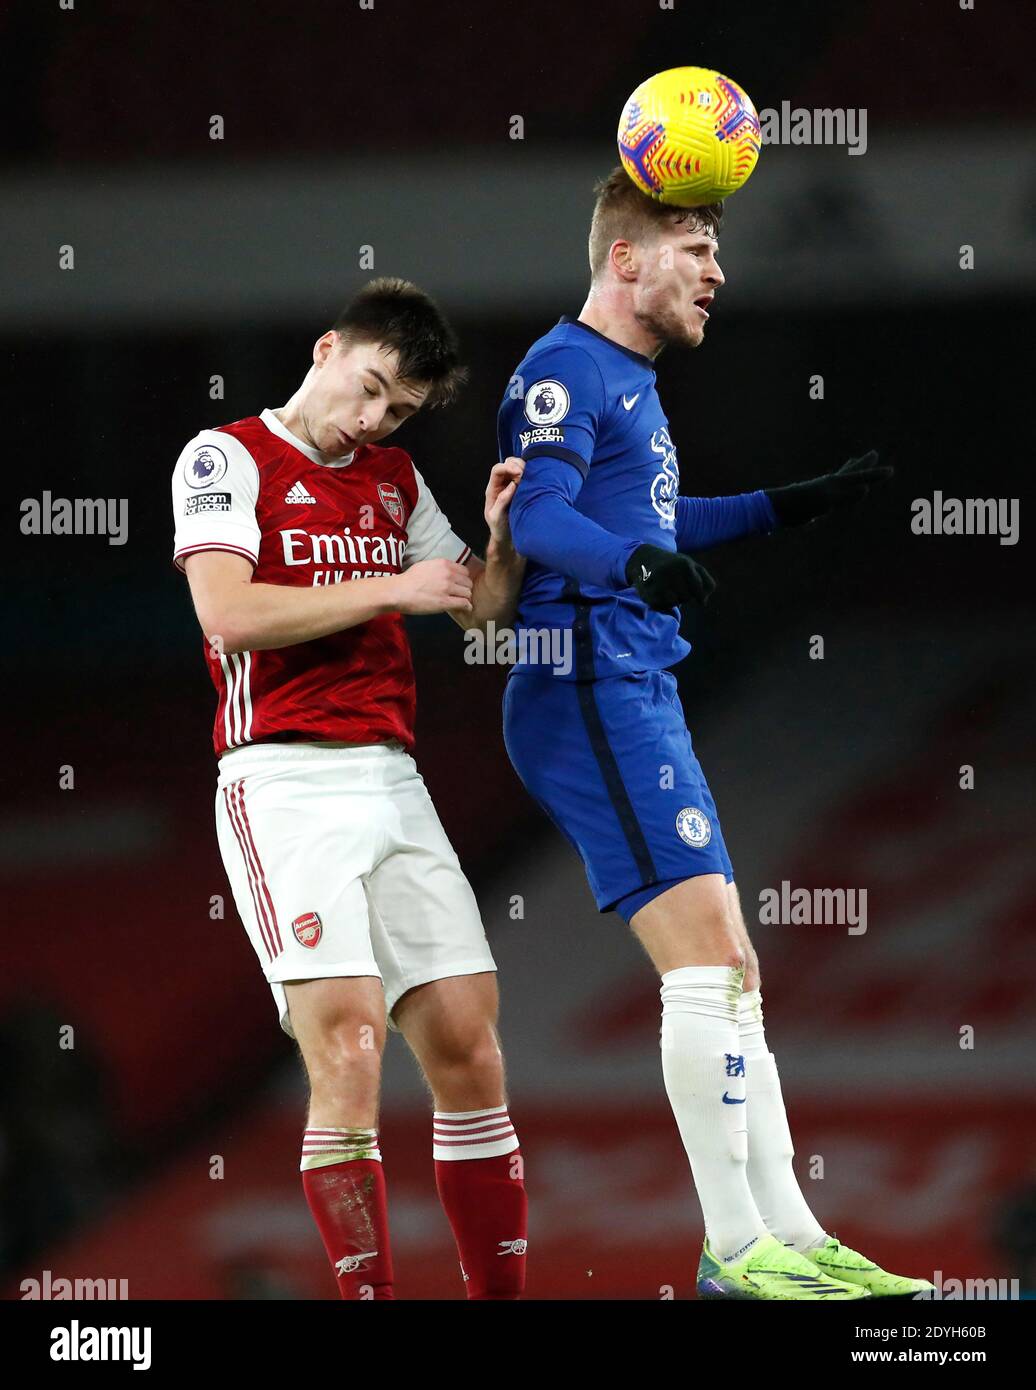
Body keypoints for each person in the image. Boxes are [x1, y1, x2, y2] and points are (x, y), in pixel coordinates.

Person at [498, 169, 934, 1300]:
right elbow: (542, 518)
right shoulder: (562, 368)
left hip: (634, 680)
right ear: (625, 258)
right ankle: (734, 1248)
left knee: (732, 967)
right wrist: (629, 565)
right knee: (704, 968)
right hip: (582, 680)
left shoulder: (631, 383)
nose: (718, 271)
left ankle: (787, 1230)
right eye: (695, 246)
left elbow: (652, 520)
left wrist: (787, 502)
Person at [173, 277, 527, 1300]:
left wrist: (497, 544)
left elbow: (481, 616)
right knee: (351, 1046)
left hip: (391, 776)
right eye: (369, 390)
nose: (373, 420)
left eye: (400, 411)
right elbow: (229, 615)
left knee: (468, 1042)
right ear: (327, 350)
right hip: (280, 779)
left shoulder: (394, 479)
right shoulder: (224, 454)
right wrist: (393, 587)